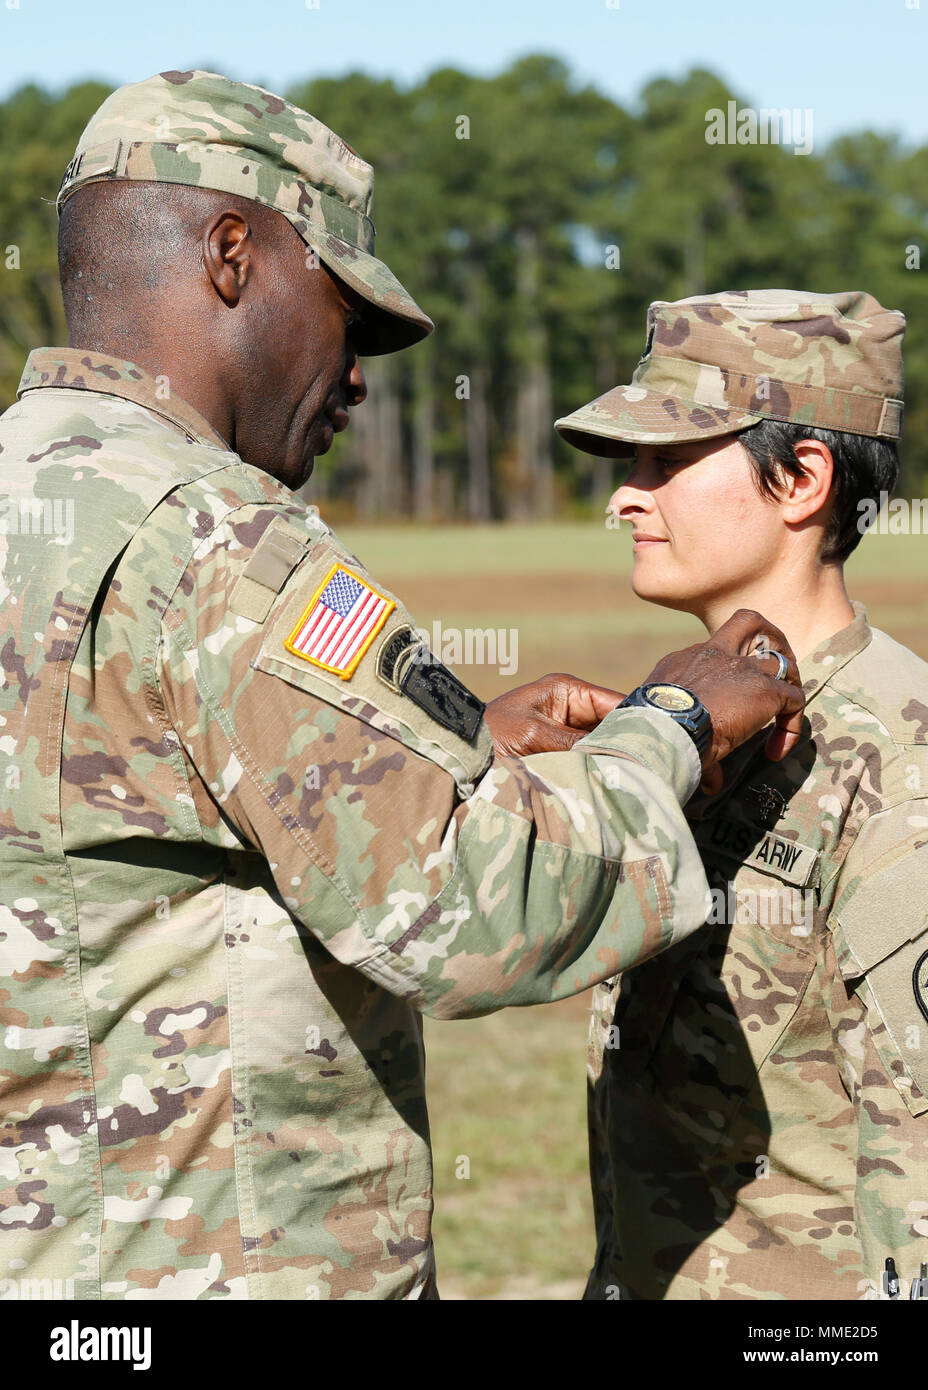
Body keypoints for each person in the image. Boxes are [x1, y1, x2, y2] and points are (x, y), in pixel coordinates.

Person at [0, 74, 801, 1302]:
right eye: (347, 319)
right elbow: (487, 907)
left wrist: (449, 745)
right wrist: (672, 723)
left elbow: (121, 812)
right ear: (232, 254)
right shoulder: (221, 543)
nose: (359, 380)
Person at [556, 288, 928, 1300]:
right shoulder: (682, 720)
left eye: (664, 463)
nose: (624, 498)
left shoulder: (896, 763)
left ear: (802, 480)